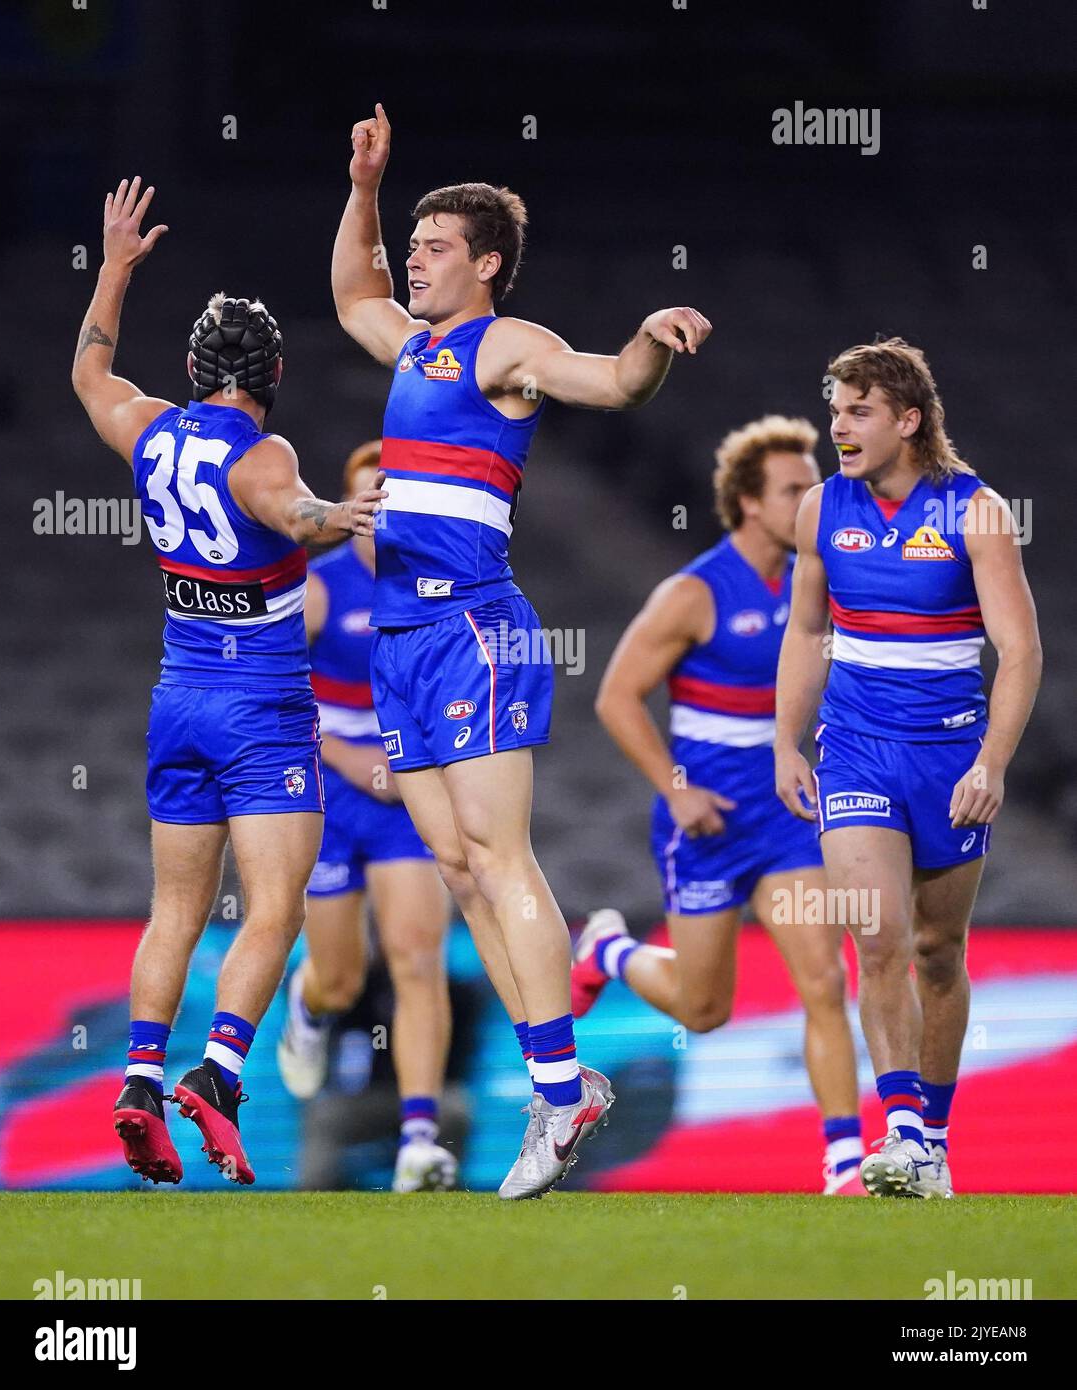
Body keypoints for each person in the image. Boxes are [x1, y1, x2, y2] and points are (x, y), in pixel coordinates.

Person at [330, 103, 711, 1198]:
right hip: (402, 637)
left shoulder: (507, 344)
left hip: (468, 629)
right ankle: (560, 1081)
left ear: (487, 263)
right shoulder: (416, 341)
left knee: (500, 858)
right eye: (416, 244)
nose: (415, 257)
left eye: (436, 246)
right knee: (456, 866)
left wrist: (650, 339)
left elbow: (612, 381)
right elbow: (355, 293)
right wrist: (364, 189)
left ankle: (559, 1088)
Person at [71, 177, 373, 1186]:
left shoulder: (148, 429)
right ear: (274, 372)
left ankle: (139, 1083)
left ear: (195, 368)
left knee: (175, 909)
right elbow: (290, 512)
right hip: (264, 705)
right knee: (276, 906)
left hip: (178, 696)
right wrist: (349, 514)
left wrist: (114, 268)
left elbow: (88, 373)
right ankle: (221, 1073)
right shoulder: (265, 449)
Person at [775, 338, 1041, 1197]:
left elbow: (1021, 648)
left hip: (951, 760)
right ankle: (900, 1132)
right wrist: (786, 740)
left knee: (936, 950)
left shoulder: (977, 511)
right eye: (835, 408)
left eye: (858, 411)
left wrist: (993, 764)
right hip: (854, 748)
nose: (838, 426)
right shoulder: (821, 508)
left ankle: (934, 1136)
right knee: (878, 937)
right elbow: (807, 633)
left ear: (908, 421)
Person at [579, 416, 865, 1194]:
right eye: (794, 490)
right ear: (747, 503)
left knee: (825, 981)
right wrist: (678, 788)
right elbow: (615, 696)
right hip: (704, 824)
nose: (812, 501)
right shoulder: (693, 592)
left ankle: (845, 1163)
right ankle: (607, 951)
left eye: (816, 487)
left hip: (784, 821)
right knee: (704, 1011)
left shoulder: (824, 584)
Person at [277, 441, 455, 1192]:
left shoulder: (443, 590)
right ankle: (309, 1005)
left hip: (408, 798)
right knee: (344, 979)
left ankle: (419, 1138)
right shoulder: (319, 591)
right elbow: (273, 695)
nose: (382, 505)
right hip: (332, 795)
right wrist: (351, 758)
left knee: (417, 962)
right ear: (347, 511)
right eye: (369, 494)